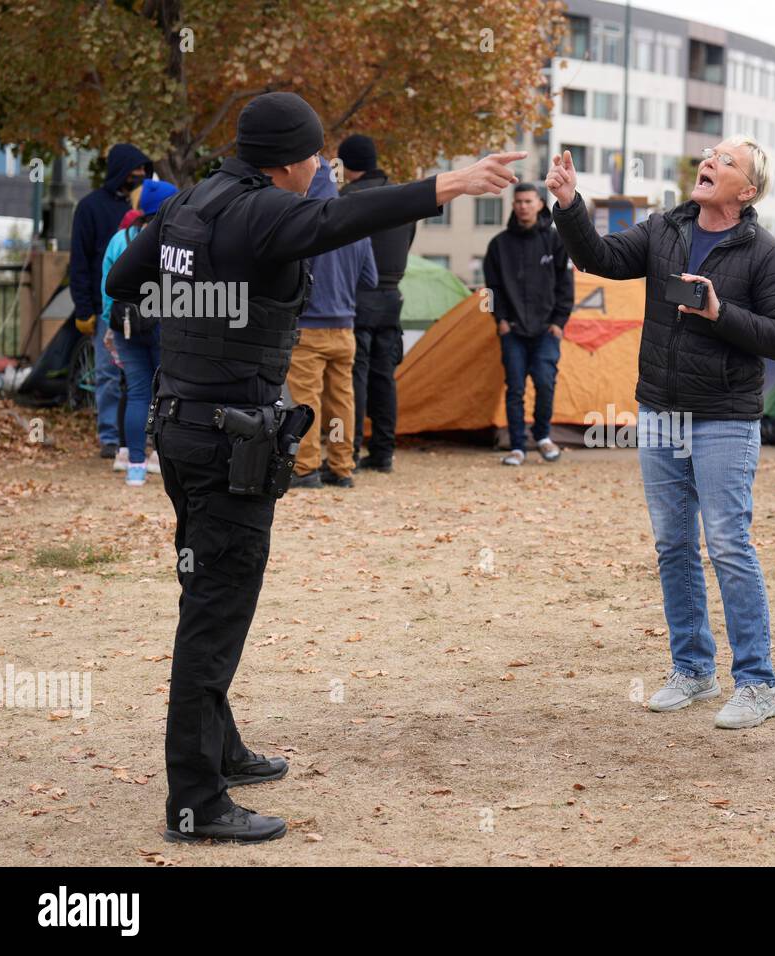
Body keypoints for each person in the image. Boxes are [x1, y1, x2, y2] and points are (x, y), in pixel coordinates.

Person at [106, 90, 526, 843]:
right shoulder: (264, 208)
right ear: (294, 161)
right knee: (214, 613)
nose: (316, 173)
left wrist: (203, 310)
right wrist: (450, 185)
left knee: (209, 593)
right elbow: (340, 220)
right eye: (313, 160)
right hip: (226, 441)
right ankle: (196, 800)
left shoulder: (192, 203)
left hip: (179, 428)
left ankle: (221, 749)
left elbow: (122, 285)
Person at [546, 137, 775, 730]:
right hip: (662, 413)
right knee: (673, 546)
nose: (709, 162)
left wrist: (721, 313)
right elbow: (601, 259)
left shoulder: (764, 252)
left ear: (748, 190)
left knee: (729, 546)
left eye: (726, 160)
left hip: (725, 419)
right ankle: (692, 670)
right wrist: (569, 205)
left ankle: (759, 683)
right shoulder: (665, 228)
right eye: (709, 155)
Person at [288, 156, 377, 489]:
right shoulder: (356, 225)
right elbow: (370, 279)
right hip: (345, 327)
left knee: (306, 400)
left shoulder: (304, 221)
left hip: (307, 327)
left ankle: (305, 468)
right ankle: (341, 467)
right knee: (342, 400)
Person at [337, 134, 413, 473]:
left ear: (346, 164)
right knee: (385, 378)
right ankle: (383, 453)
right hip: (392, 298)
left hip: (355, 298)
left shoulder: (347, 199)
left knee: (354, 378)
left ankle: (348, 452)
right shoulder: (402, 198)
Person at [71, 143, 153, 458]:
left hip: (143, 307)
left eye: (144, 173)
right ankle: (108, 436)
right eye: (135, 173)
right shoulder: (90, 208)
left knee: (141, 377)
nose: (140, 178)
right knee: (107, 375)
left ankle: (135, 438)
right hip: (105, 305)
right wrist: (84, 308)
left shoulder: (145, 212)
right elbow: (79, 262)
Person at [483, 182, 574, 465]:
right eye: (518, 202)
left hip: (547, 329)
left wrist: (559, 322)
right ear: (513, 206)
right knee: (515, 388)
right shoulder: (499, 245)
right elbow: (489, 290)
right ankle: (518, 447)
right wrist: (500, 321)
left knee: (545, 383)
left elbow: (566, 286)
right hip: (513, 330)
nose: (523, 206)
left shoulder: (556, 241)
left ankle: (543, 436)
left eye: (528, 201)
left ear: (539, 205)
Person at [100, 178, 179, 486]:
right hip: (163, 323)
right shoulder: (174, 239)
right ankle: (162, 458)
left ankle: (135, 465)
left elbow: (108, 287)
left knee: (136, 392)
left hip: (126, 326)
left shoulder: (120, 239)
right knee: (167, 393)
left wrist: (110, 325)